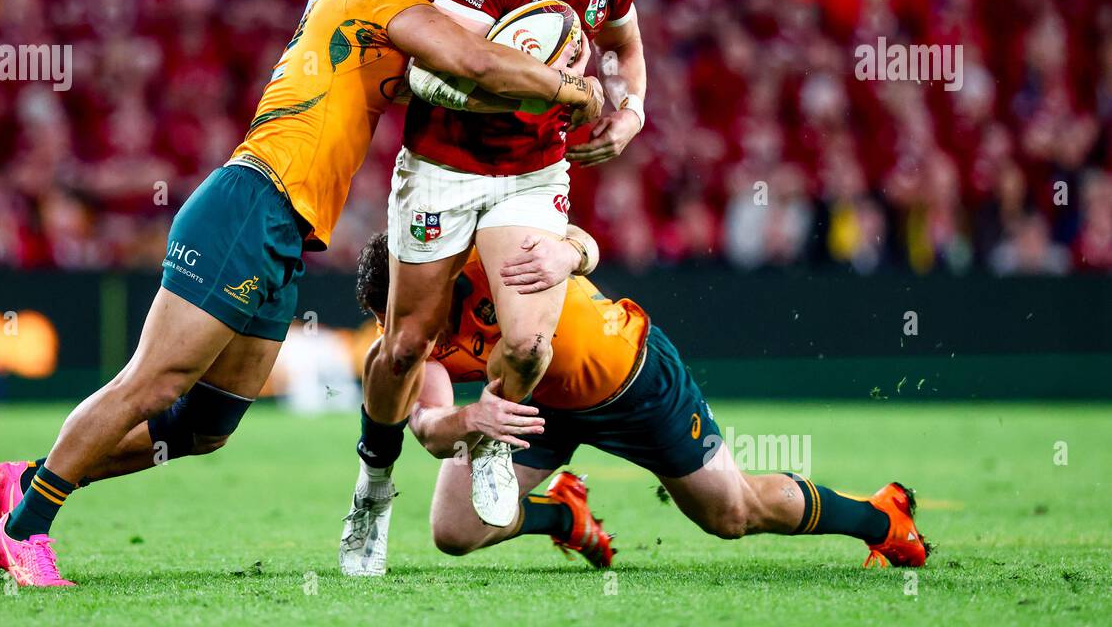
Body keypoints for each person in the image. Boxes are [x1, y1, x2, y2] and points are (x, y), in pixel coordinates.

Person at [0, 0, 603, 586]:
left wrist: (530, 87)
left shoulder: (351, 14)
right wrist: (571, 92)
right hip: (252, 202)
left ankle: (30, 481)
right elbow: (476, 61)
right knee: (153, 382)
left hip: (283, 228)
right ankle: (27, 529)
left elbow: (455, 85)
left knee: (205, 424)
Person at [343, 0, 650, 576]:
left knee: (527, 344)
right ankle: (372, 492)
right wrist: (566, 88)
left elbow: (626, 46)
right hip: (445, 168)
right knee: (407, 345)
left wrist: (632, 110)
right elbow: (455, 73)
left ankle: (489, 448)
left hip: (532, 173)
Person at [350, 229, 931, 572]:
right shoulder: (408, 337)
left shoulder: (484, 249)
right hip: (531, 406)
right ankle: (564, 515)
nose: (392, 330)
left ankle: (880, 517)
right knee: (454, 530)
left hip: (630, 378)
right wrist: (471, 418)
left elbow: (581, 240)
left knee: (731, 515)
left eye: (395, 310)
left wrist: (571, 255)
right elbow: (426, 426)